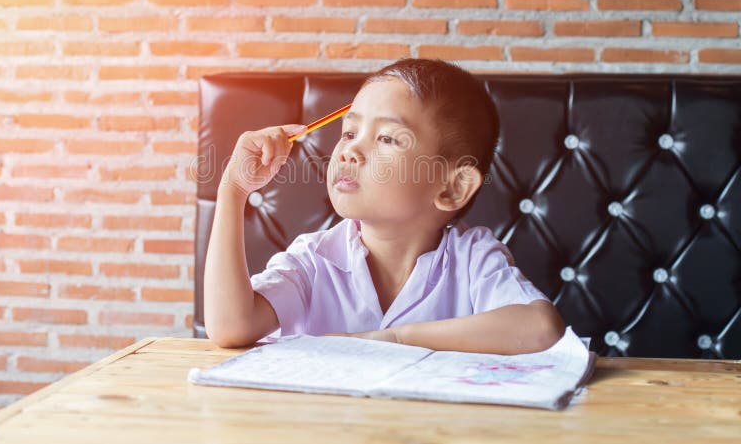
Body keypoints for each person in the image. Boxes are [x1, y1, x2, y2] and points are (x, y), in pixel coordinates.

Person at [204, 58, 565, 354]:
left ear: (453, 187)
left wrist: (391, 341)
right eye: (349, 132)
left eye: (387, 138)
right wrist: (233, 189)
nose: (349, 150)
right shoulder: (314, 260)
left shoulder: (473, 260)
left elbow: (540, 328)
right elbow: (230, 327)